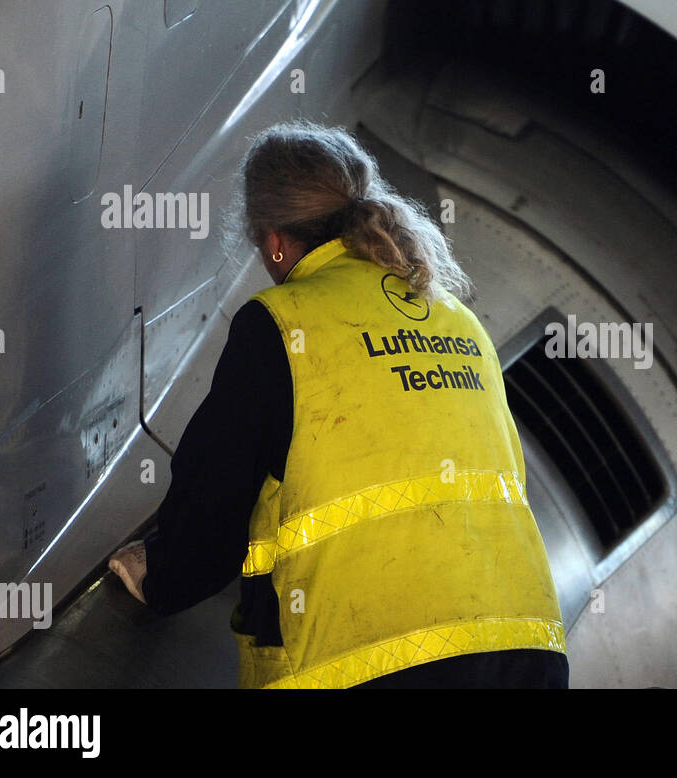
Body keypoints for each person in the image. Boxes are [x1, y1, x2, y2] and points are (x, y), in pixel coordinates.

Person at [107, 120, 567, 689]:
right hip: (527, 651)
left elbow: (214, 492)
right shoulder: (460, 322)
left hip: (368, 661)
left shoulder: (279, 323)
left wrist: (164, 577)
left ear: (274, 238)